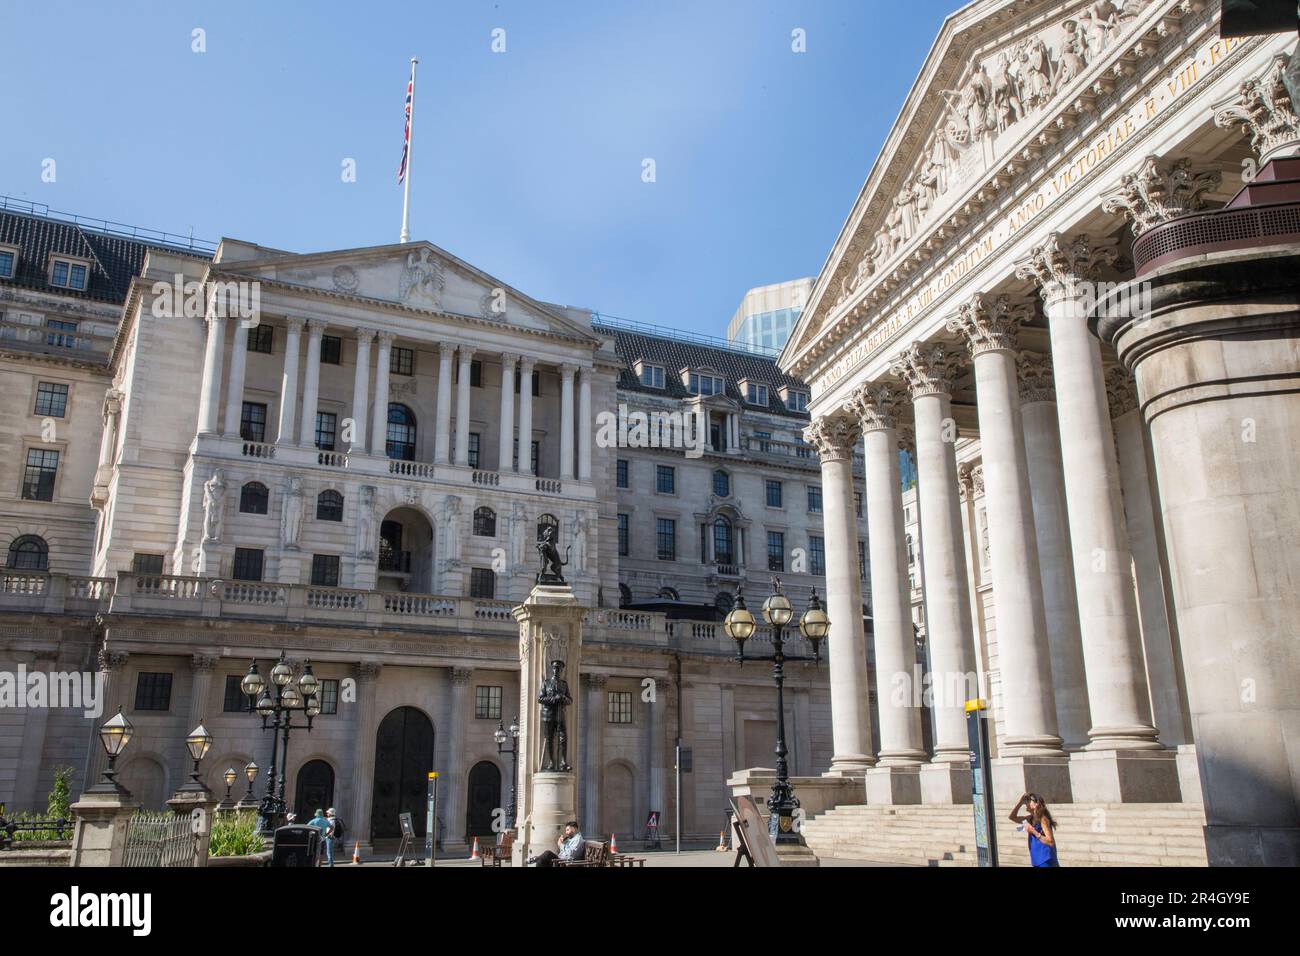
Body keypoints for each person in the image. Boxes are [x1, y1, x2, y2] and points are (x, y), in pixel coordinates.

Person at [1009, 793, 1059, 867]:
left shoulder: (1043, 818)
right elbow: (1012, 817)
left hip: (1045, 859)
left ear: (1037, 804)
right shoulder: (1030, 818)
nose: (1026, 802)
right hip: (1036, 859)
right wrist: (1020, 802)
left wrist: (1033, 831)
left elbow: (1050, 841)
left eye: (1029, 800)